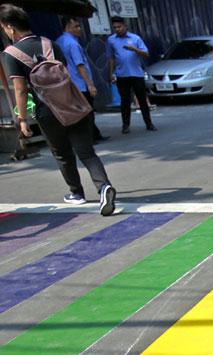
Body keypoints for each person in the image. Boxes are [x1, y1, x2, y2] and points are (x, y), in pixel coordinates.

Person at [1, 4, 116, 215]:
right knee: (86, 152)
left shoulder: (12, 54)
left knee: (62, 153)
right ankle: (104, 186)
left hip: (47, 111)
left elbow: (20, 89)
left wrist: (22, 119)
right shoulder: (50, 43)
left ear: (10, 27)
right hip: (72, 103)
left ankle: (76, 193)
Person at [56, 16, 107, 143]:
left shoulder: (59, 41)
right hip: (80, 84)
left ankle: (95, 134)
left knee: (80, 111)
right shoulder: (73, 44)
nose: (80, 29)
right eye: (76, 26)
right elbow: (80, 65)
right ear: (67, 27)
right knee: (88, 111)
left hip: (68, 83)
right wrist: (90, 85)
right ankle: (90, 137)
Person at [107, 16, 155, 134]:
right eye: (115, 27)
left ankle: (149, 123)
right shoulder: (111, 40)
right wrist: (111, 73)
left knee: (142, 99)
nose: (117, 29)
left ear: (125, 26)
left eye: (119, 27)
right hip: (121, 74)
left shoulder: (135, 38)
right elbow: (111, 58)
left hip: (136, 73)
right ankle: (125, 125)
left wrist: (135, 49)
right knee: (125, 101)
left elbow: (146, 54)